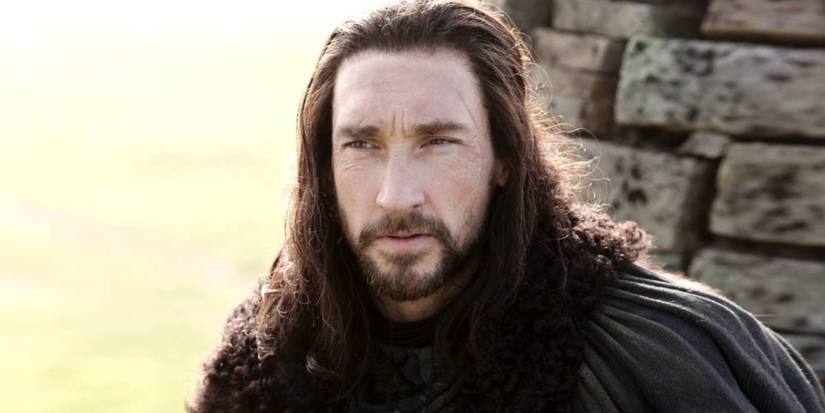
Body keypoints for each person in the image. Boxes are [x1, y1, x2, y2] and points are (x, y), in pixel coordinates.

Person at [187, 1, 825, 412]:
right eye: (362, 145)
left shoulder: (662, 359)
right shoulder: (268, 358)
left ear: (505, 160)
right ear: (323, 169)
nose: (396, 195)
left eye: (438, 142)